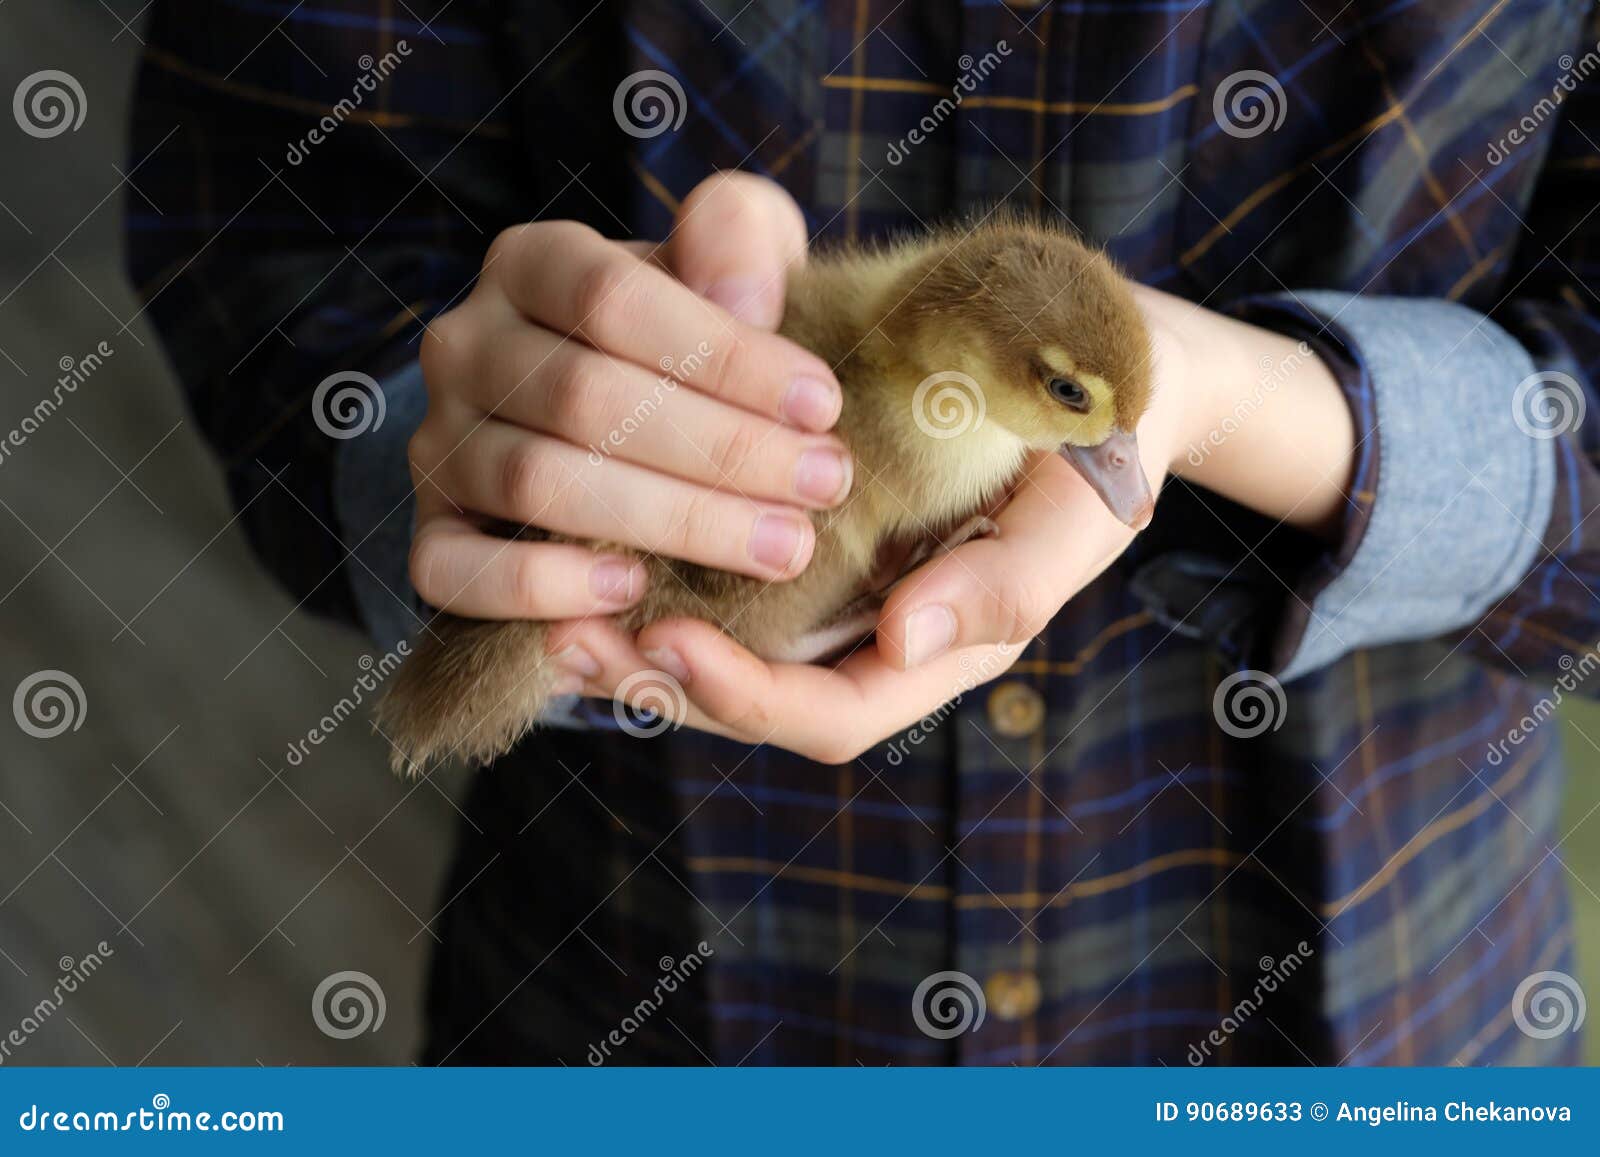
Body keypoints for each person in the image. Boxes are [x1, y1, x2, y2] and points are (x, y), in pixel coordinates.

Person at [127, 0, 1597, 1064]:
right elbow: (265, 214)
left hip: (1368, 1009)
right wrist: (470, 451)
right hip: (656, 999)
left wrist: (1265, 410)